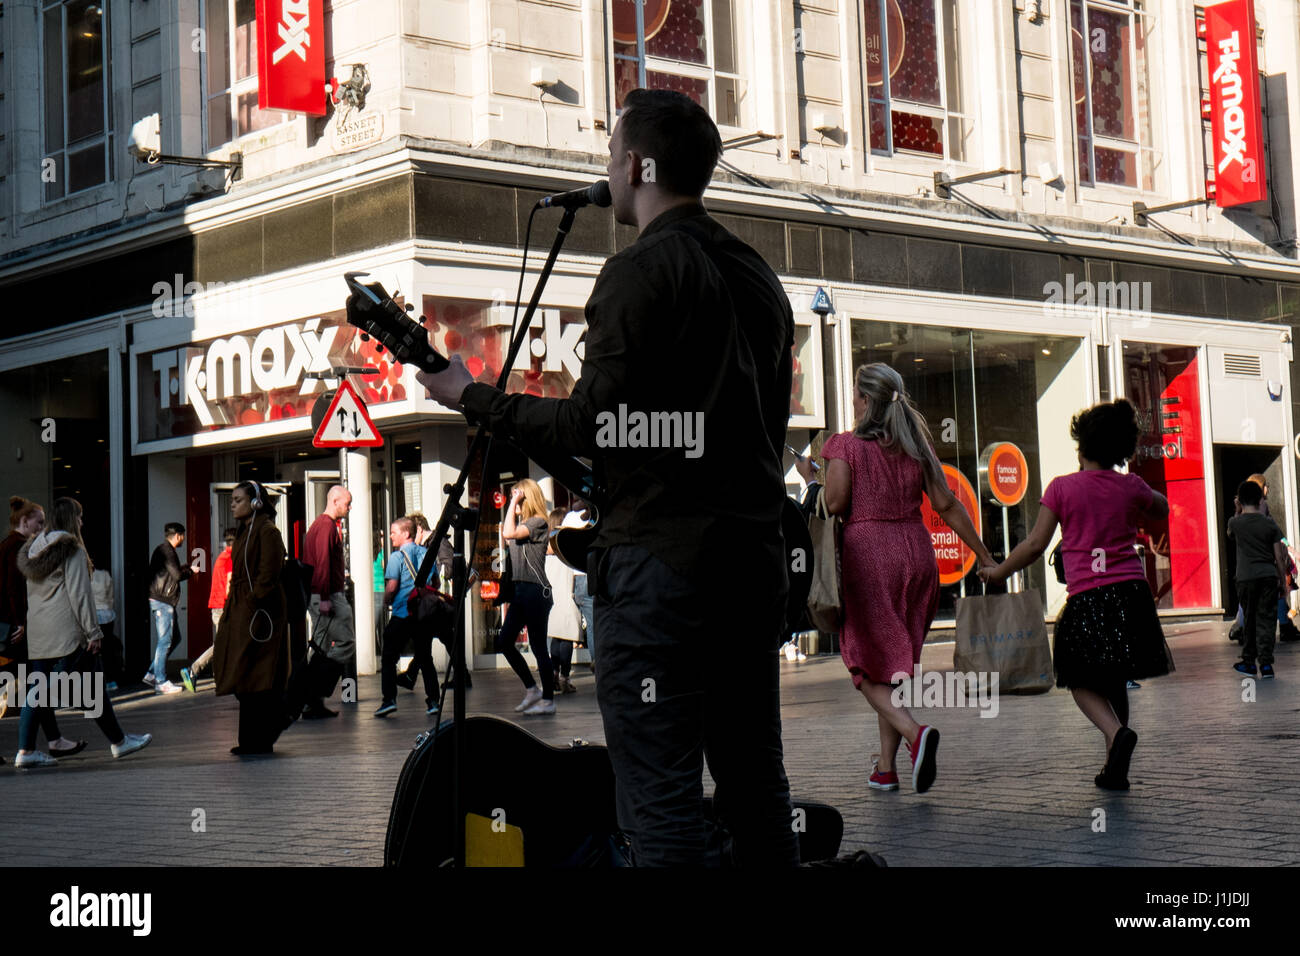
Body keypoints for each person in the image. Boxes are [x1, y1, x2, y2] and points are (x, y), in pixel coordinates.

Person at [418, 89, 799, 865]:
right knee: (757, 790)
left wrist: (476, 397)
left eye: (610, 151)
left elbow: (593, 423)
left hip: (662, 576)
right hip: (750, 568)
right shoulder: (758, 275)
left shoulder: (638, 272)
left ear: (634, 165)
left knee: (661, 807)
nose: (606, 168)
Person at [981, 398, 1173, 791]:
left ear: (1081, 446)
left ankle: (1116, 735)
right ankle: (1113, 766)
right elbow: (1162, 508)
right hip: (1131, 595)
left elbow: (1035, 545)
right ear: (1119, 449)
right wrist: (1138, 493)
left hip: (1089, 597)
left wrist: (998, 571)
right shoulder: (1130, 486)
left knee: (1078, 678)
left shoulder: (1062, 488)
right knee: (1115, 678)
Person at [822, 364, 995, 795]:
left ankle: (917, 735)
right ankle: (886, 767)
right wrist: (984, 553)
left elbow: (837, 501)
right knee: (891, 668)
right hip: (917, 555)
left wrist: (816, 481)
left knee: (863, 661)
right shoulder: (915, 445)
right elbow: (947, 503)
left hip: (869, 557)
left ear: (864, 400)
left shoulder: (845, 445)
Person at [14, 497, 151, 768]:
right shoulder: (71, 548)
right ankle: (27, 751)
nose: (82, 522)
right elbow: (80, 594)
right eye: (79, 516)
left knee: (52, 688)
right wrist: (93, 632)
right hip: (67, 633)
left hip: (40, 634)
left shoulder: (33, 548)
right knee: (55, 690)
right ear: (70, 519)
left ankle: (118, 741)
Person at [0, 497, 85, 760]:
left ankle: (53, 739)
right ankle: (36, 746)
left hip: (11, 628)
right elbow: (15, 590)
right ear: (24, 521)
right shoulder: (18, 548)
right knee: (36, 686)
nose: (41, 527)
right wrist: (21, 622)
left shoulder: (8, 545)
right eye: (38, 522)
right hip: (16, 630)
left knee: (37, 685)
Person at [213, 480, 292, 755]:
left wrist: (253, 598)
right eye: (232, 500)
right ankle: (251, 739)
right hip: (242, 608)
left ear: (256, 502)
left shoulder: (267, 531)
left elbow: (269, 572)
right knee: (244, 673)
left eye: (238, 499)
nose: (233, 504)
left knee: (256, 673)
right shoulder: (247, 530)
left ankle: (261, 737)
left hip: (259, 613)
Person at [496, 479, 555, 715]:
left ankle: (548, 700)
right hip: (521, 590)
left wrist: (513, 502)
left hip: (536, 590)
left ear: (526, 498)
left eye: (518, 496)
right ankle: (532, 689)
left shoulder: (538, 522)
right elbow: (507, 533)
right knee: (504, 642)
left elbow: (509, 532)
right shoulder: (523, 522)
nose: (514, 500)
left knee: (539, 647)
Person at [376, 517, 437, 717]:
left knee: (389, 657)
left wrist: (386, 600)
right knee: (425, 657)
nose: (391, 535)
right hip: (423, 615)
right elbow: (435, 583)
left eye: (394, 532)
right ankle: (433, 701)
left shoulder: (396, 557)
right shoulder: (427, 554)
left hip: (403, 613)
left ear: (406, 534)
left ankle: (389, 700)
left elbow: (392, 586)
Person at [302, 484, 354, 718]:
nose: (349, 507)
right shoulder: (326, 526)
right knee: (346, 642)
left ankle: (312, 700)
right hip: (328, 594)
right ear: (335, 501)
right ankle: (315, 691)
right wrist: (324, 597)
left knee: (321, 646)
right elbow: (322, 563)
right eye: (347, 502)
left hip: (320, 594)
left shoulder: (317, 526)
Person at [1228, 478, 1286, 679]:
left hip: (1245, 578)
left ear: (1240, 500)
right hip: (1268, 577)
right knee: (1267, 620)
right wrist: (1283, 582)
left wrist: (1237, 509)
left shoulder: (1235, 522)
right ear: (1261, 500)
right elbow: (1279, 556)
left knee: (1250, 619)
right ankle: (1267, 665)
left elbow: (1230, 533)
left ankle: (1249, 662)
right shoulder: (1270, 524)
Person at [146, 521, 200, 694]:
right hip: (163, 601)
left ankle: (151, 673)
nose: (183, 538)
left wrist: (186, 567)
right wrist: (191, 571)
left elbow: (171, 571)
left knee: (174, 638)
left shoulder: (163, 550)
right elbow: (176, 575)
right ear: (178, 535)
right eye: (183, 535)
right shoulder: (167, 551)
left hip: (161, 599)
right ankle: (160, 681)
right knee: (165, 640)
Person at [182, 528, 235, 692]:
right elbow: (229, 586)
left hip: (217, 606)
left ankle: (219, 676)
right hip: (223, 607)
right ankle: (195, 669)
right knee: (222, 644)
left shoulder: (222, 557)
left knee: (224, 643)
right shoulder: (230, 559)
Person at [545, 508, 582, 694]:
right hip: (567, 595)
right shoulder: (566, 548)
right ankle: (564, 678)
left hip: (552, 599)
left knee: (556, 637)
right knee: (566, 638)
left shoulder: (546, 549)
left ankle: (553, 673)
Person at [561, 499, 597, 670]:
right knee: (594, 624)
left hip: (574, 576)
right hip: (590, 573)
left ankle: (560, 672)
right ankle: (598, 662)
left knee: (580, 624)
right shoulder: (595, 516)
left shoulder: (569, 518)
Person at [90, 564, 123, 689]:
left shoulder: (84, 576)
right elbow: (110, 596)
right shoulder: (105, 575)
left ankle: (94, 682)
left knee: (92, 651)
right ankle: (110, 680)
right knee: (108, 649)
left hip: (92, 616)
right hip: (107, 614)